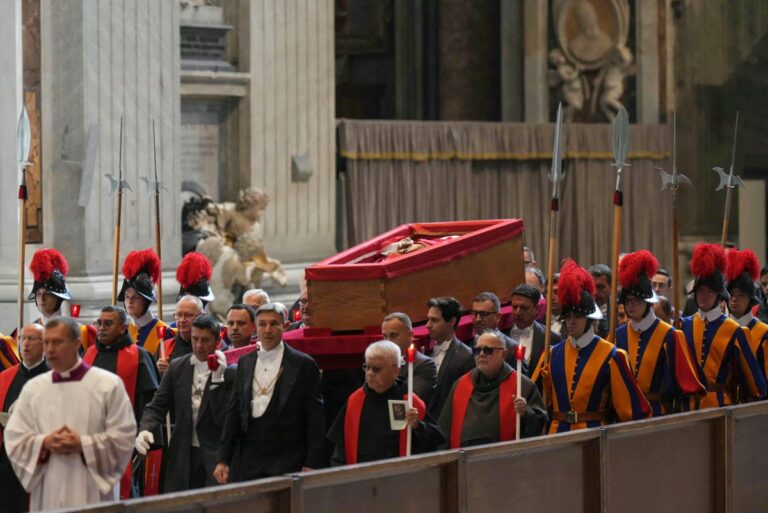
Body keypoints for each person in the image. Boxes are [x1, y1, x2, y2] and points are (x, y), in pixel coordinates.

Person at [4, 317, 135, 511]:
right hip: (49, 486)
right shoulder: (34, 389)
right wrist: (44, 443)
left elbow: (124, 437)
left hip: (91, 487)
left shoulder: (107, 385)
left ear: (76, 343)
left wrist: (83, 445)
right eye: (47, 342)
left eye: (57, 342)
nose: (50, 349)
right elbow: (14, 436)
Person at [214, 303, 324, 483]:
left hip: (289, 460)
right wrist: (223, 459)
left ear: (285, 326)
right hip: (249, 460)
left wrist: (312, 462)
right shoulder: (245, 362)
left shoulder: (304, 364)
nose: (267, 330)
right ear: (255, 328)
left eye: (274, 324)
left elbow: (315, 418)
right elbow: (233, 412)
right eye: (262, 324)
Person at [542, 260, 650, 433]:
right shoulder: (553, 353)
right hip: (557, 434)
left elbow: (629, 409)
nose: (571, 321)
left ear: (590, 319)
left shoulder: (612, 355)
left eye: (577, 316)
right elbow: (541, 401)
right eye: (567, 316)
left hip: (596, 434)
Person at [136, 315, 233, 492]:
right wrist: (145, 429)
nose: (198, 345)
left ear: (218, 340)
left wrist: (218, 380)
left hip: (216, 454)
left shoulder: (230, 370)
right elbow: (157, 405)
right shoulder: (178, 366)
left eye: (205, 340)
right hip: (183, 453)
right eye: (195, 339)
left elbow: (227, 417)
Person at [614, 251, 705, 416]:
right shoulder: (617, 335)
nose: (631, 306)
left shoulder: (670, 335)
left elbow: (687, 385)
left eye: (636, 301)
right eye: (628, 301)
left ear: (648, 303)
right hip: (624, 416)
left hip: (659, 414)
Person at [82, 306, 160, 498]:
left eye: (108, 323)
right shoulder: (90, 354)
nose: (101, 328)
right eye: (98, 323)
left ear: (123, 328)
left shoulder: (139, 356)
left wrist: (144, 435)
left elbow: (149, 403)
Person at [327, 341, 444, 465]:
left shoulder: (409, 401)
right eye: (367, 367)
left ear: (396, 371)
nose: (370, 373)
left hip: (398, 476)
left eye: (376, 369)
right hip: (362, 476)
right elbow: (340, 450)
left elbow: (435, 442)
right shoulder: (355, 400)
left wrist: (417, 425)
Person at [680, 244, 767, 410]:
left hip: (721, 406)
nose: (703, 295)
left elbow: (752, 380)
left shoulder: (735, 330)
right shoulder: (683, 326)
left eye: (709, 291)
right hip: (688, 407)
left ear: (719, 295)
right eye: (700, 291)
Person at [439, 331, 547, 448]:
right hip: (465, 460)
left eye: (488, 350)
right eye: (477, 350)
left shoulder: (521, 385)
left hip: (504, 460)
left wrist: (526, 412)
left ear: (504, 354)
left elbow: (540, 424)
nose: (481, 354)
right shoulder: (460, 385)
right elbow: (444, 431)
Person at [0, 324, 47, 513]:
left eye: (32, 339)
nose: (25, 344)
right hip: (6, 464)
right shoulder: (4, 377)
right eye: (22, 339)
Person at [25, 248, 96, 353]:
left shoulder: (81, 332)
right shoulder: (29, 332)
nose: (42, 298)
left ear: (59, 297)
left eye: (47, 293)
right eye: (39, 293)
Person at [424, 297, 475, 418]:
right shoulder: (424, 351)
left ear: (452, 321)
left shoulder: (466, 356)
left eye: (434, 320)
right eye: (428, 319)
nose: (428, 325)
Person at [726, 249, 768, 393]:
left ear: (750, 299)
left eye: (740, 294)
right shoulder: (722, 328)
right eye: (731, 294)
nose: (734, 299)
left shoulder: (763, 332)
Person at [119, 248, 170, 356]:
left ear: (146, 301)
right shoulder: (122, 331)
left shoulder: (167, 332)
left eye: (136, 297)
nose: (130, 301)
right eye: (127, 296)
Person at [381, 313, 437, 404]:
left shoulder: (425, 365)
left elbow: (412, 401)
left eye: (393, 335)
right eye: (385, 336)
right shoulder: (380, 362)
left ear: (410, 335)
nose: (388, 341)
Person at [507, 286, 561, 380]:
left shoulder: (550, 338)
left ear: (537, 308)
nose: (518, 312)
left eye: (524, 308)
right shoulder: (501, 334)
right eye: (515, 307)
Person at [467, 292, 528, 373]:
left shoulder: (512, 349)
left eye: (484, 314)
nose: (478, 319)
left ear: (498, 317)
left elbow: (522, 382)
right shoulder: (467, 346)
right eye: (474, 314)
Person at [158, 295, 204, 374]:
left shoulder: (210, 344)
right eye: (179, 315)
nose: (182, 320)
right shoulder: (167, 345)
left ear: (201, 316)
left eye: (189, 315)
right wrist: (159, 369)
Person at [588, 263, 612, 338]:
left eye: (600, 287)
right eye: (591, 287)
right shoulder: (580, 313)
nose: (595, 292)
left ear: (611, 287)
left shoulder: (619, 312)